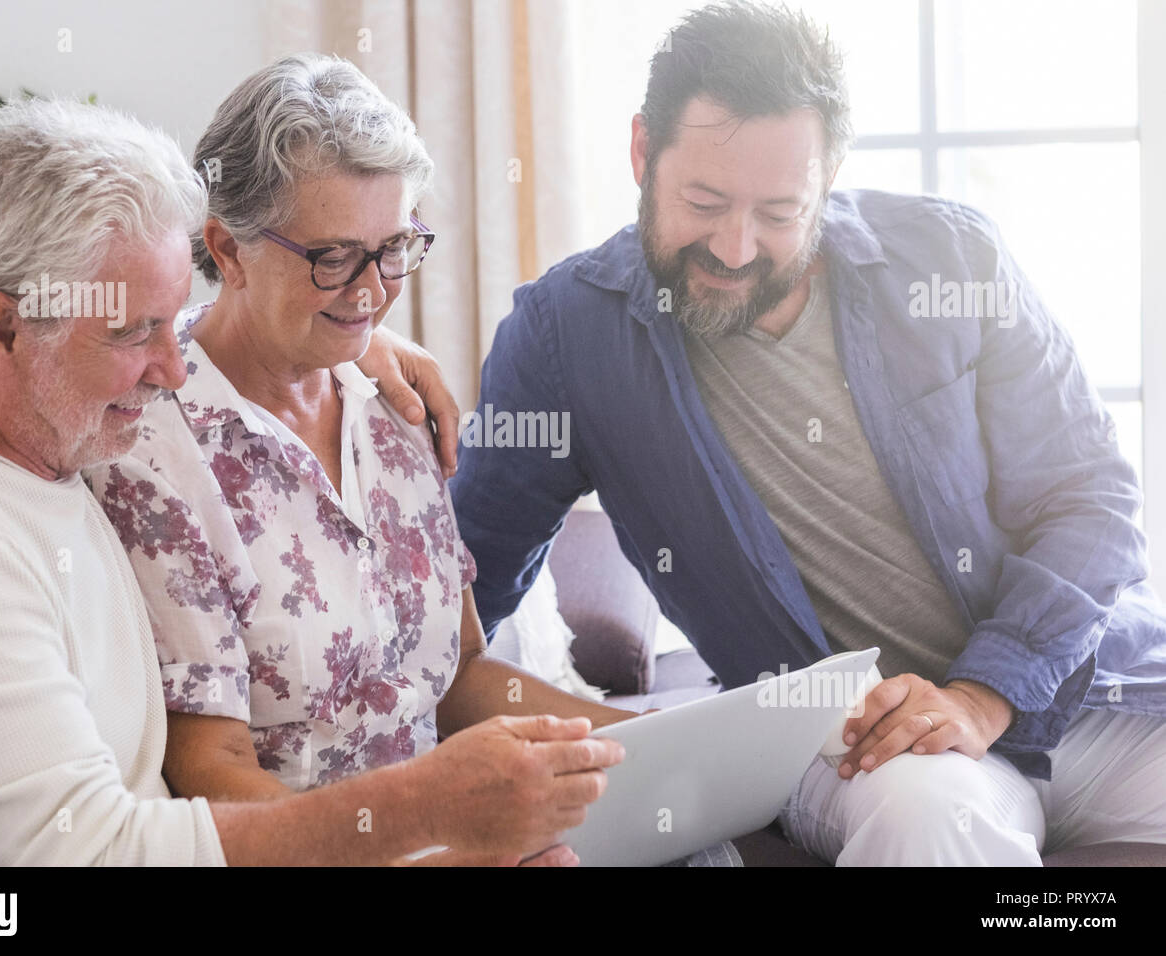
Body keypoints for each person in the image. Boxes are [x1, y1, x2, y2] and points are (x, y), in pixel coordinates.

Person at [449, 0, 1166, 865]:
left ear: (829, 177)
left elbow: (1090, 500)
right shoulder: (567, 335)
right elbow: (458, 586)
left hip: (1086, 695)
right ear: (643, 152)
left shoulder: (950, 257)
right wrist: (357, 343)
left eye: (780, 213)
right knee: (922, 821)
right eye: (704, 202)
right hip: (859, 747)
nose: (737, 247)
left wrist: (981, 696)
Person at [0, 96, 624, 866]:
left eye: (171, 322)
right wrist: (429, 826)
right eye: (135, 333)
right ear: (2, 331)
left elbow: (237, 322)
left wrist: (347, 335)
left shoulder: (45, 445)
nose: (172, 370)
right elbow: (91, 856)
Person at [82, 55, 740, 867]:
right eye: (334, 256)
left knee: (701, 840)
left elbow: (457, 674)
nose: (372, 289)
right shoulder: (153, 444)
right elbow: (211, 774)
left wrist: (649, 746)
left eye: (395, 246)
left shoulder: (393, 404)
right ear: (230, 248)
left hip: (458, 835)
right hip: (333, 851)